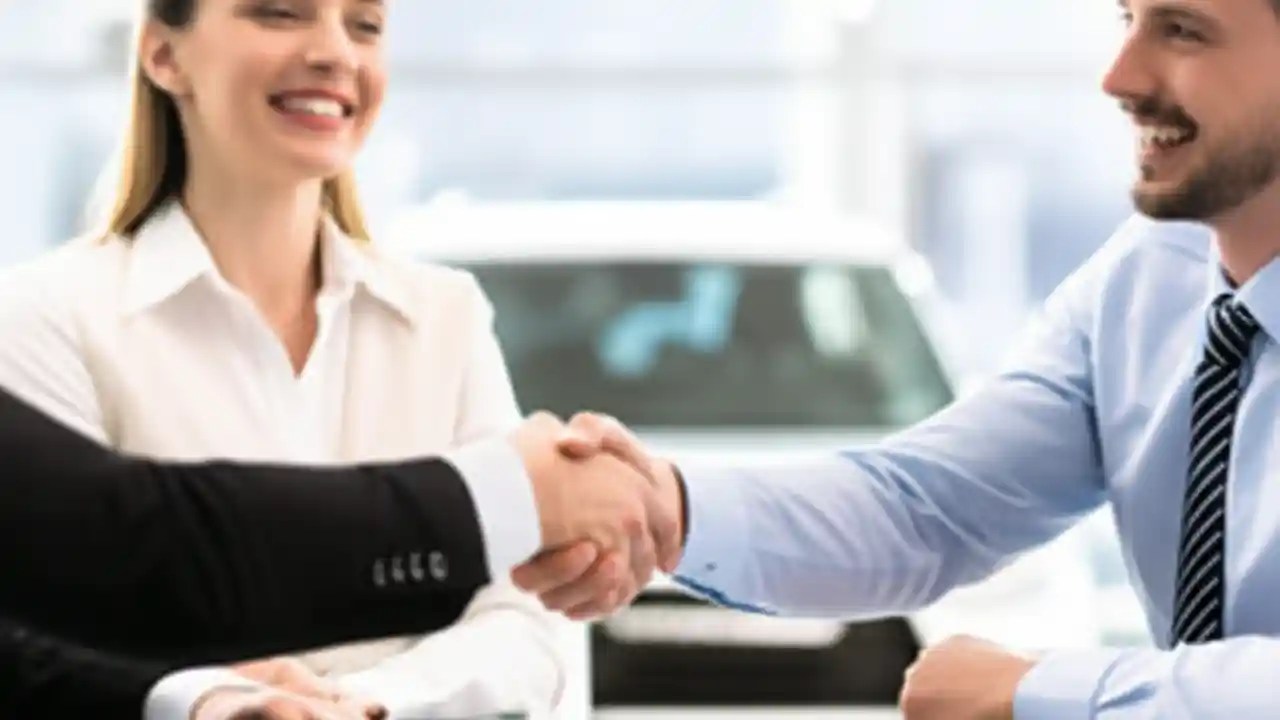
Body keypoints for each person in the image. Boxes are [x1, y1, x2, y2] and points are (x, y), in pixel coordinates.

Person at [512, 0, 1280, 717]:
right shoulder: (1147, 281)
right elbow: (927, 508)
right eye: (1127, 17)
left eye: (1181, 30)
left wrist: (1040, 692)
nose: (1120, 77)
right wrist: (673, 509)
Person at [0, 1, 640, 718]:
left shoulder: (443, 314)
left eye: (364, 26)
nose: (336, 53)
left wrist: (357, 705)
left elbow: (527, 621)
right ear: (163, 56)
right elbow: (61, 616)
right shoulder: (43, 316)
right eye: (279, 14)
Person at [0, 393, 674, 719]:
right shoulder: (44, 309)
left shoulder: (446, 306)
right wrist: (508, 496)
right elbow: (136, 546)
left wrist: (207, 699)